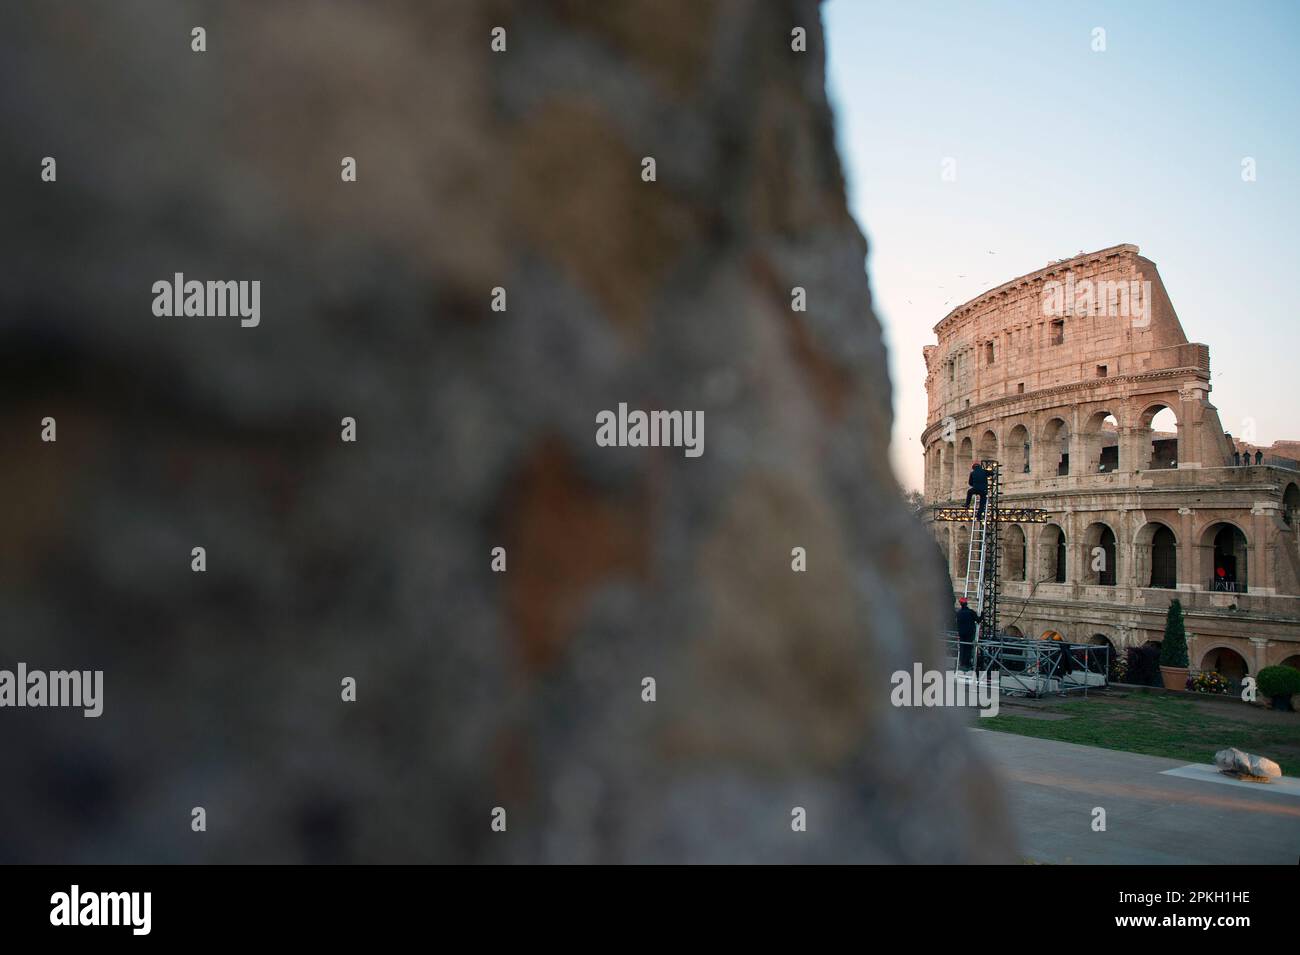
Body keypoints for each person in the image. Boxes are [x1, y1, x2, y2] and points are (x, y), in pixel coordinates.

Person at [955, 597, 979, 670]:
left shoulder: (958, 613)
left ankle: (962, 663)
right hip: (969, 633)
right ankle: (967, 664)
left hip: (961, 633)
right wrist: (983, 615)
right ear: (966, 604)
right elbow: (978, 620)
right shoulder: (971, 612)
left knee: (962, 648)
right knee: (968, 648)